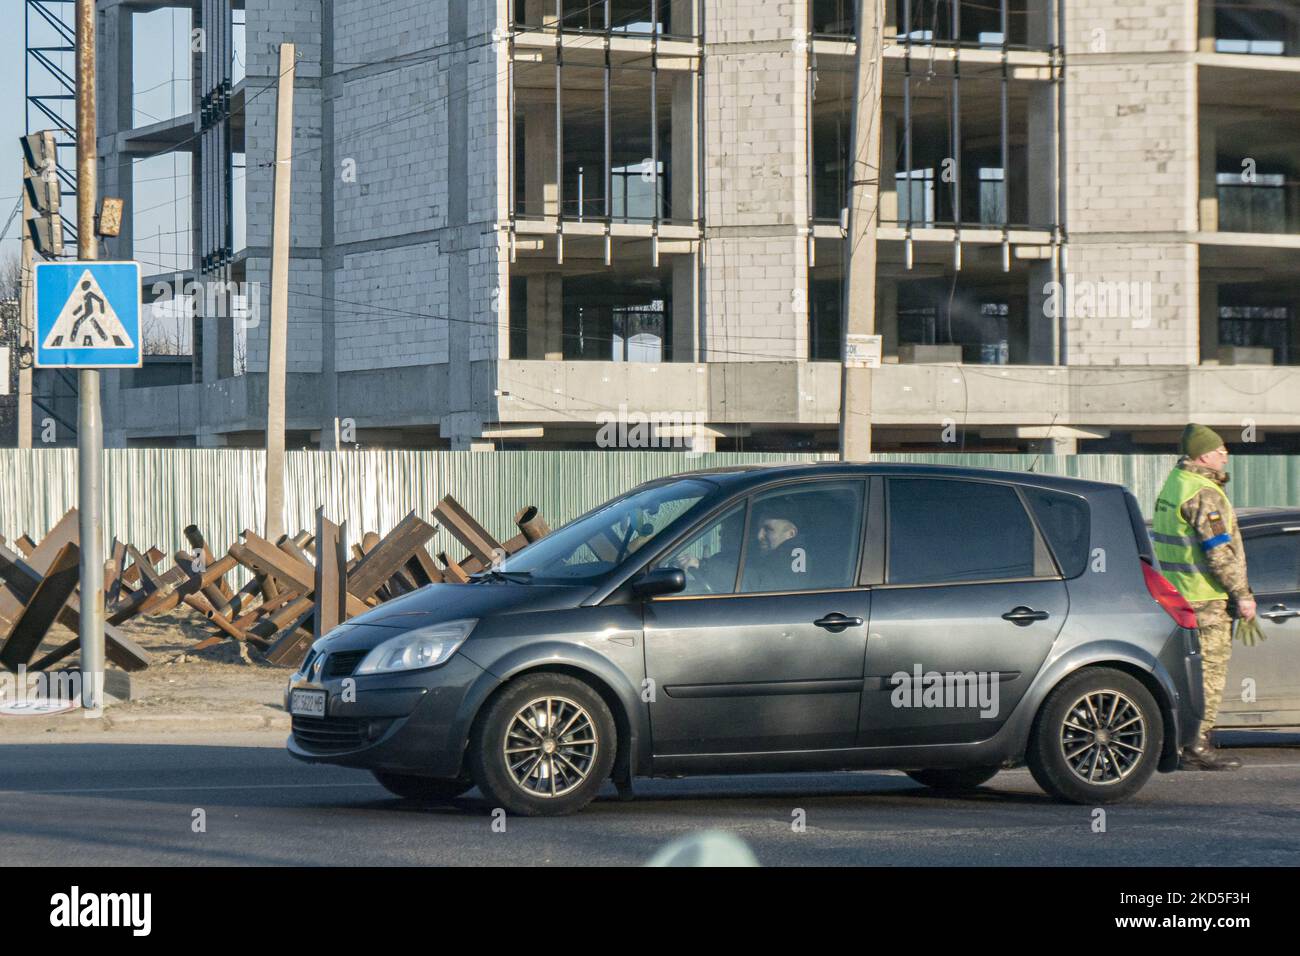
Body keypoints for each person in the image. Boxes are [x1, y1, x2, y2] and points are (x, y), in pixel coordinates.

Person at [1153, 423, 1255, 771]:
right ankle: (1197, 744)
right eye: (1220, 448)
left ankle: (1180, 743)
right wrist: (1241, 594)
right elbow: (1218, 552)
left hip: (1175, 596)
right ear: (1203, 455)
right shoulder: (1204, 493)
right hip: (1205, 598)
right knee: (1209, 672)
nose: (1226, 453)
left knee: (1183, 674)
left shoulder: (1174, 484)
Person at [742, 515, 805, 592]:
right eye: (758, 529)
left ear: (791, 534)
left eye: (768, 530)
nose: (759, 536)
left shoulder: (795, 561)